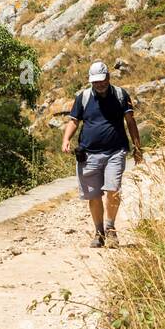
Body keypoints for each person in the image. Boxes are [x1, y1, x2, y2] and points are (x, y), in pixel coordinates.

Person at [61, 61, 143, 249]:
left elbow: (130, 122)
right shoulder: (83, 97)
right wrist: (66, 140)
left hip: (115, 151)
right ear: (91, 81)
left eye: (102, 80)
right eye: (95, 81)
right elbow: (74, 121)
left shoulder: (121, 95)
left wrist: (137, 147)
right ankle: (99, 233)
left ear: (108, 77)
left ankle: (111, 228)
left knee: (113, 189)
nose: (99, 84)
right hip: (88, 155)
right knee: (93, 195)